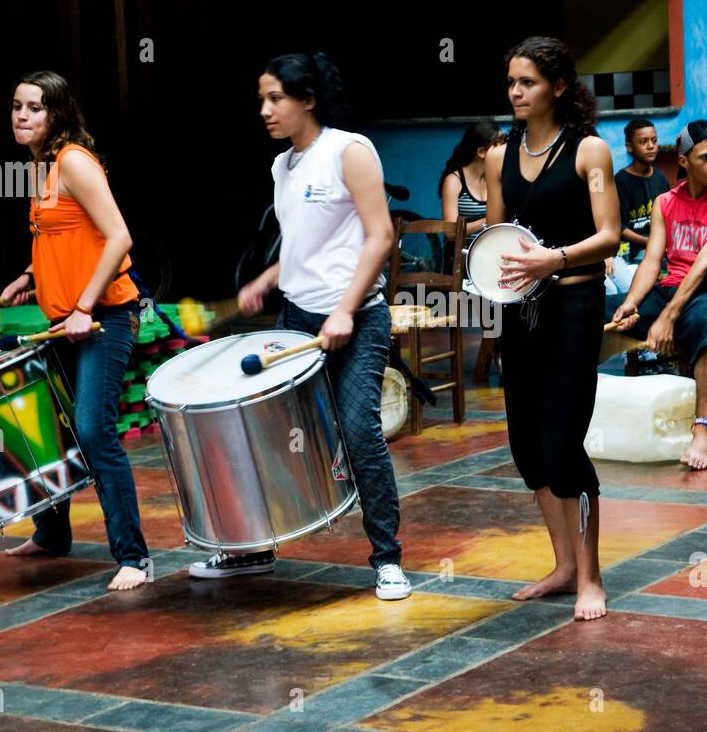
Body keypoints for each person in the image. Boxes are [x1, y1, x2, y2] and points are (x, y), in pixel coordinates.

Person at [203, 52, 411, 601]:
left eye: (276, 98)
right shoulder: (282, 167)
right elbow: (304, 242)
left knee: (360, 430)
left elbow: (380, 236)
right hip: (298, 317)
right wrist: (269, 278)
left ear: (308, 100)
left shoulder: (349, 151)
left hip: (358, 317)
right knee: (268, 432)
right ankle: (252, 548)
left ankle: (387, 559)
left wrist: (345, 307)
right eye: (261, 100)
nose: (265, 110)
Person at [484, 36, 620, 621]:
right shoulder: (498, 155)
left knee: (564, 443)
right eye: (511, 82)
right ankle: (562, 566)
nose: (516, 92)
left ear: (558, 87)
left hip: (573, 305)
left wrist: (554, 259)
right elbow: (492, 240)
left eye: (528, 82)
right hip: (521, 311)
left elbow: (610, 235)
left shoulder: (590, 152)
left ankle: (591, 577)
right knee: (527, 446)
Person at [1, 70, 149, 592]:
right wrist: (30, 275)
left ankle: (133, 557)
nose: (22, 116)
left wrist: (85, 305)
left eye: (34, 108)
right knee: (49, 425)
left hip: (104, 318)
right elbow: (67, 238)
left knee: (92, 430)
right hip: (62, 321)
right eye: (17, 106)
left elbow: (117, 237)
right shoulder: (38, 166)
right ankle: (51, 533)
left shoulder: (73, 162)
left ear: (57, 114)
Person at [611, 120, 707, 471]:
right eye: (706, 158)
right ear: (685, 162)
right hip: (670, 289)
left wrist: (667, 319)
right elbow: (652, 261)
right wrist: (631, 301)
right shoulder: (665, 202)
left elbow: (702, 267)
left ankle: (702, 433)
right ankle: (575, 414)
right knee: (597, 312)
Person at [605, 119, 669, 312]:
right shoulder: (621, 181)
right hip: (631, 253)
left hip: (660, 250)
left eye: (654, 140)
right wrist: (648, 242)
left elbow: (669, 218)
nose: (651, 146)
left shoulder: (660, 179)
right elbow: (619, 227)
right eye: (643, 141)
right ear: (629, 147)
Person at [440, 122, 504, 238]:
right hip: (461, 253)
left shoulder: (500, 177)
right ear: (482, 152)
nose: (504, 149)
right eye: (498, 144)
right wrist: (487, 221)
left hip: (492, 249)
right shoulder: (454, 180)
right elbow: (450, 232)